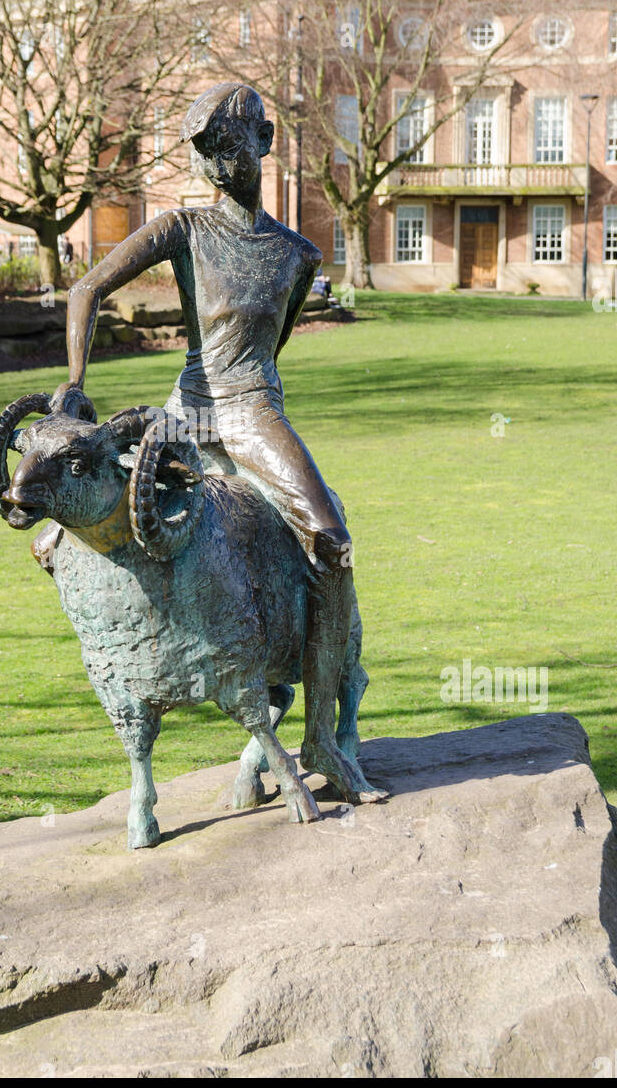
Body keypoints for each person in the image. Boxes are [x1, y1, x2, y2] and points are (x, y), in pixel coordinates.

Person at [51, 82, 375, 798]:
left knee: (330, 542)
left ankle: (322, 735)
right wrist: (74, 380)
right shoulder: (182, 229)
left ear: (263, 141)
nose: (219, 165)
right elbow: (86, 290)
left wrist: (253, 431)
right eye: (205, 154)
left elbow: (268, 350)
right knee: (80, 517)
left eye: (230, 146)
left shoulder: (297, 255)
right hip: (185, 412)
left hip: (252, 412)